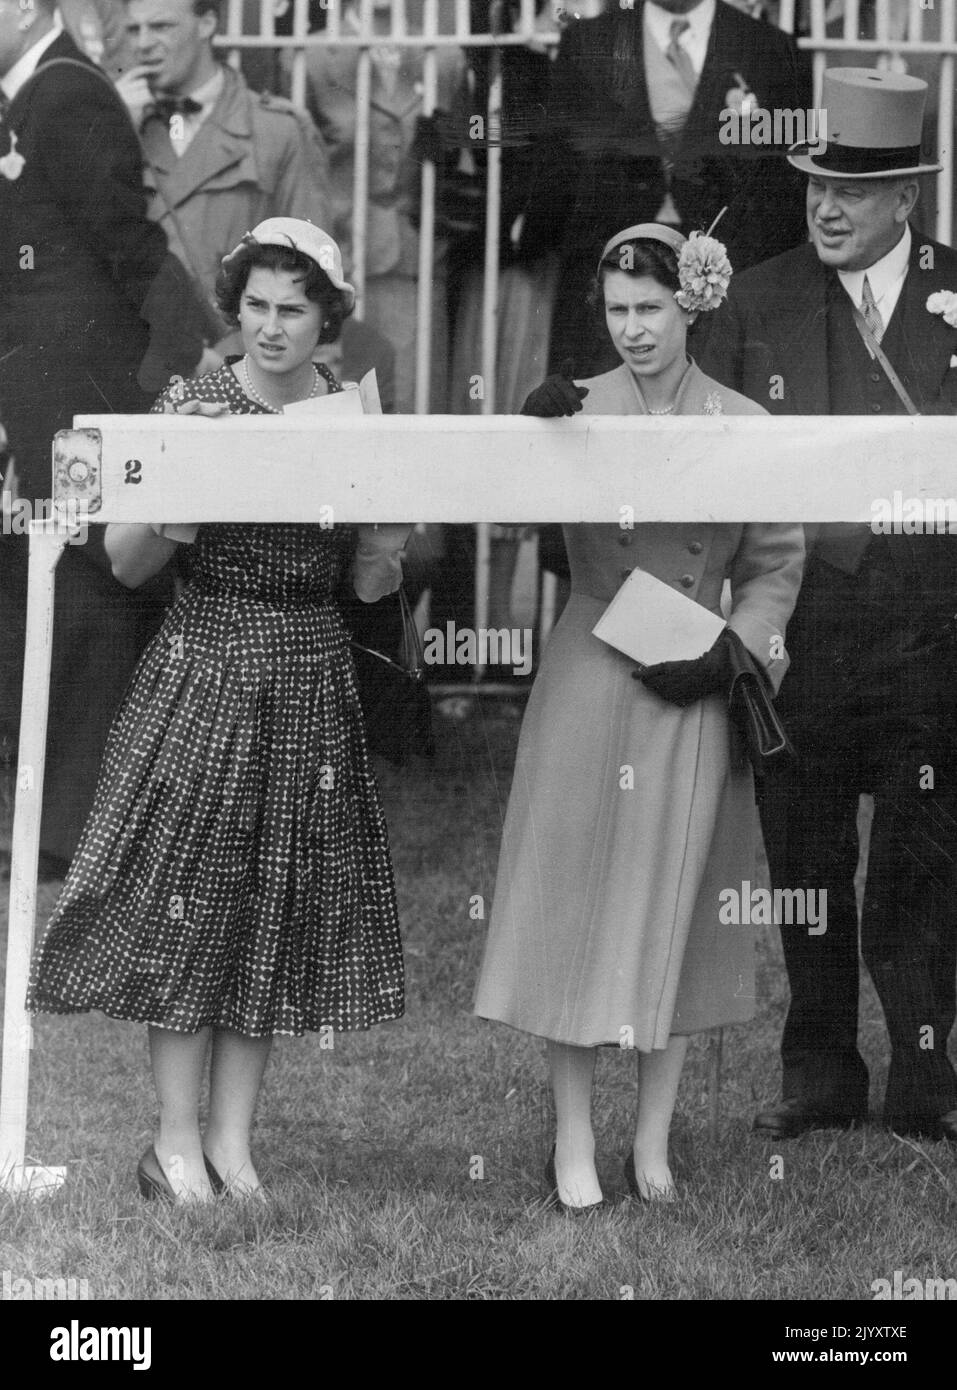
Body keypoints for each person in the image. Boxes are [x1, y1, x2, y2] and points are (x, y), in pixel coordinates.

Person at [27, 219, 407, 1201]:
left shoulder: (348, 413)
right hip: (207, 663)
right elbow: (122, 562)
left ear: (328, 318)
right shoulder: (193, 402)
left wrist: (383, 529)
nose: (271, 327)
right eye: (256, 307)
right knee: (190, 909)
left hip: (309, 670)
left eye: (294, 309)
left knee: (268, 910)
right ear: (235, 309)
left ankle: (233, 1145)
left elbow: (368, 588)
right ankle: (173, 1143)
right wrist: (184, 484)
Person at [473, 222, 804, 1209]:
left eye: (650, 308)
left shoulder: (743, 420)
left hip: (693, 672)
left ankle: (651, 1141)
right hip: (592, 668)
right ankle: (573, 1137)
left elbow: (775, 563)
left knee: (682, 903)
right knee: (572, 896)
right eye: (617, 310)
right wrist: (535, 438)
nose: (633, 329)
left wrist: (734, 650)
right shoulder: (574, 406)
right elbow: (498, 502)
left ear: (690, 306)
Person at [695, 68, 957, 1143]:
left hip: (935, 631)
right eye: (815, 187)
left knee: (921, 859)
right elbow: (694, 443)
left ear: (906, 197)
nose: (828, 209)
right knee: (804, 864)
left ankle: (927, 1073)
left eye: (853, 190)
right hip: (799, 629)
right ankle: (819, 1074)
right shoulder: (756, 298)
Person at [0, 0, 210, 873]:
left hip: (81, 395)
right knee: (47, 591)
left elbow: (129, 244)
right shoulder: (36, 95)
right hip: (42, 392)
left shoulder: (66, 94)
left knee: (87, 594)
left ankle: (82, 827)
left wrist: (181, 363)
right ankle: (55, 821)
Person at [518, 0, 811, 380]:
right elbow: (558, 178)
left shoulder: (770, 49)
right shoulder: (587, 43)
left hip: (726, 311)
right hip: (608, 313)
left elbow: (785, 198)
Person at [115, 0, 332, 350]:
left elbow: (316, 276)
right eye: (133, 29)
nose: (143, 43)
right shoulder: (115, 125)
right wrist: (114, 126)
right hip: (139, 356)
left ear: (207, 24)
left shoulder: (278, 132)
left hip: (243, 362)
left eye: (161, 26)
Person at [298, 0, 466, 413]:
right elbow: (297, 168)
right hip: (335, 258)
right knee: (335, 406)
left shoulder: (445, 57)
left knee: (411, 404)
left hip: (415, 258)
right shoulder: (310, 56)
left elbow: (457, 162)